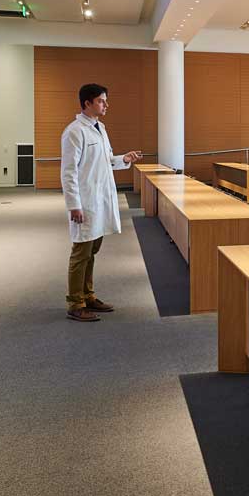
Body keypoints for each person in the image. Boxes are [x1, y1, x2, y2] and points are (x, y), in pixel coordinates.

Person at [62, 83, 143, 323]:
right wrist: (73, 204)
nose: (106, 105)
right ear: (87, 103)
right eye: (101, 101)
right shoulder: (74, 131)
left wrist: (123, 159)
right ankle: (75, 303)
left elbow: (106, 160)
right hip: (85, 201)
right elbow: (68, 172)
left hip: (100, 199)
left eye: (105, 101)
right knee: (81, 252)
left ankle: (88, 295)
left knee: (92, 251)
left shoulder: (100, 128)